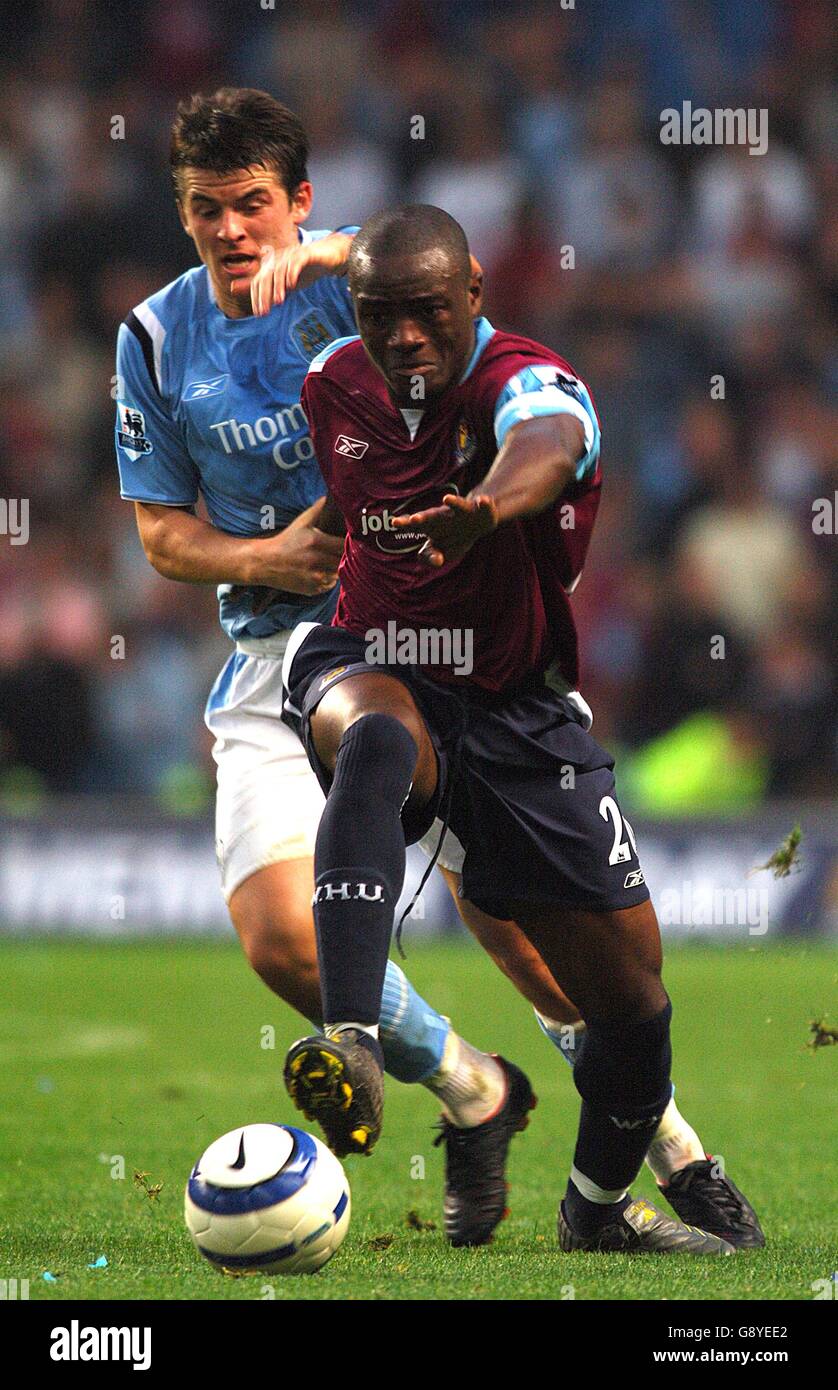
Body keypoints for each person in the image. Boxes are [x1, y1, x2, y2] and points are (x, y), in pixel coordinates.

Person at [281, 203, 764, 1254]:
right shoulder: (332, 385)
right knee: (373, 739)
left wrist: (486, 510)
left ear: (473, 298)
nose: (403, 336)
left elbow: (543, 448)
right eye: (377, 315)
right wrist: (280, 556)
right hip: (373, 659)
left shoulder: (532, 384)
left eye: (424, 312)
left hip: (515, 709)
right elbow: (346, 502)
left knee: (633, 1012)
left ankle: (595, 1210)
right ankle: (351, 1038)